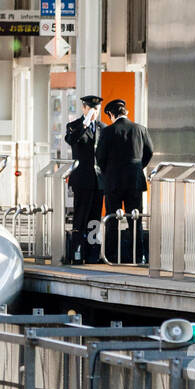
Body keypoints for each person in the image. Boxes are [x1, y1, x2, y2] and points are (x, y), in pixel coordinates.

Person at [95, 98, 153, 262]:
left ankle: (110, 256)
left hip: (113, 181)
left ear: (112, 114)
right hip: (134, 180)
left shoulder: (107, 132)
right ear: (125, 112)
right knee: (135, 218)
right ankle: (139, 255)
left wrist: (109, 172)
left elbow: (100, 157)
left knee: (112, 219)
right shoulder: (140, 129)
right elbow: (149, 151)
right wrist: (137, 167)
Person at [63, 95, 104, 264]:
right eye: (91, 109)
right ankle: (77, 253)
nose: (94, 112)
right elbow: (71, 141)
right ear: (84, 108)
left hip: (98, 180)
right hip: (82, 179)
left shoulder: (103, 128)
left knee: (95, 218)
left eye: (97, 109)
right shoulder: (74, 126)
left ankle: (93, 255)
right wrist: (84, 124)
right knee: (80, 216)